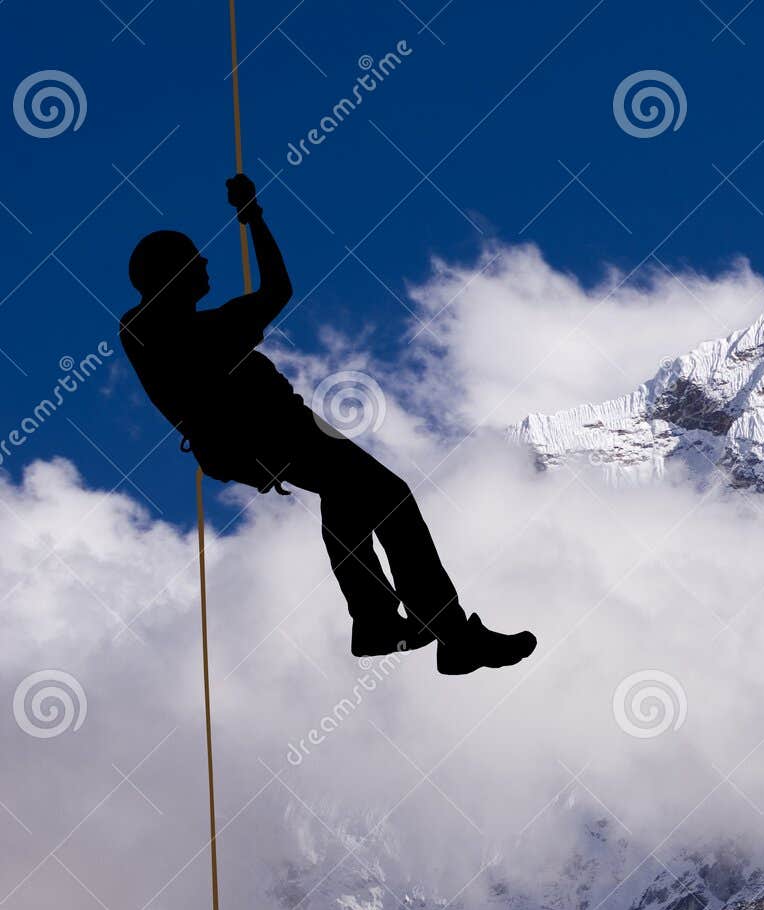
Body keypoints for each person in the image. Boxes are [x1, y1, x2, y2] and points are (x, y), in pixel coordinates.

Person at [120, 174, 536, 676]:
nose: (207, 261)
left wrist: (252, 217)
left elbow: (276, 290)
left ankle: (382, 624)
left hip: (281, 432)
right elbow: (272, 292)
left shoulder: (188, 329)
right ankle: (437, 632)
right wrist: (251, 217)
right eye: (194, 257)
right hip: (273, 434)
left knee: (351, 501)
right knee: (386, 496)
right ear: (172, 272)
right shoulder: (154, 330)